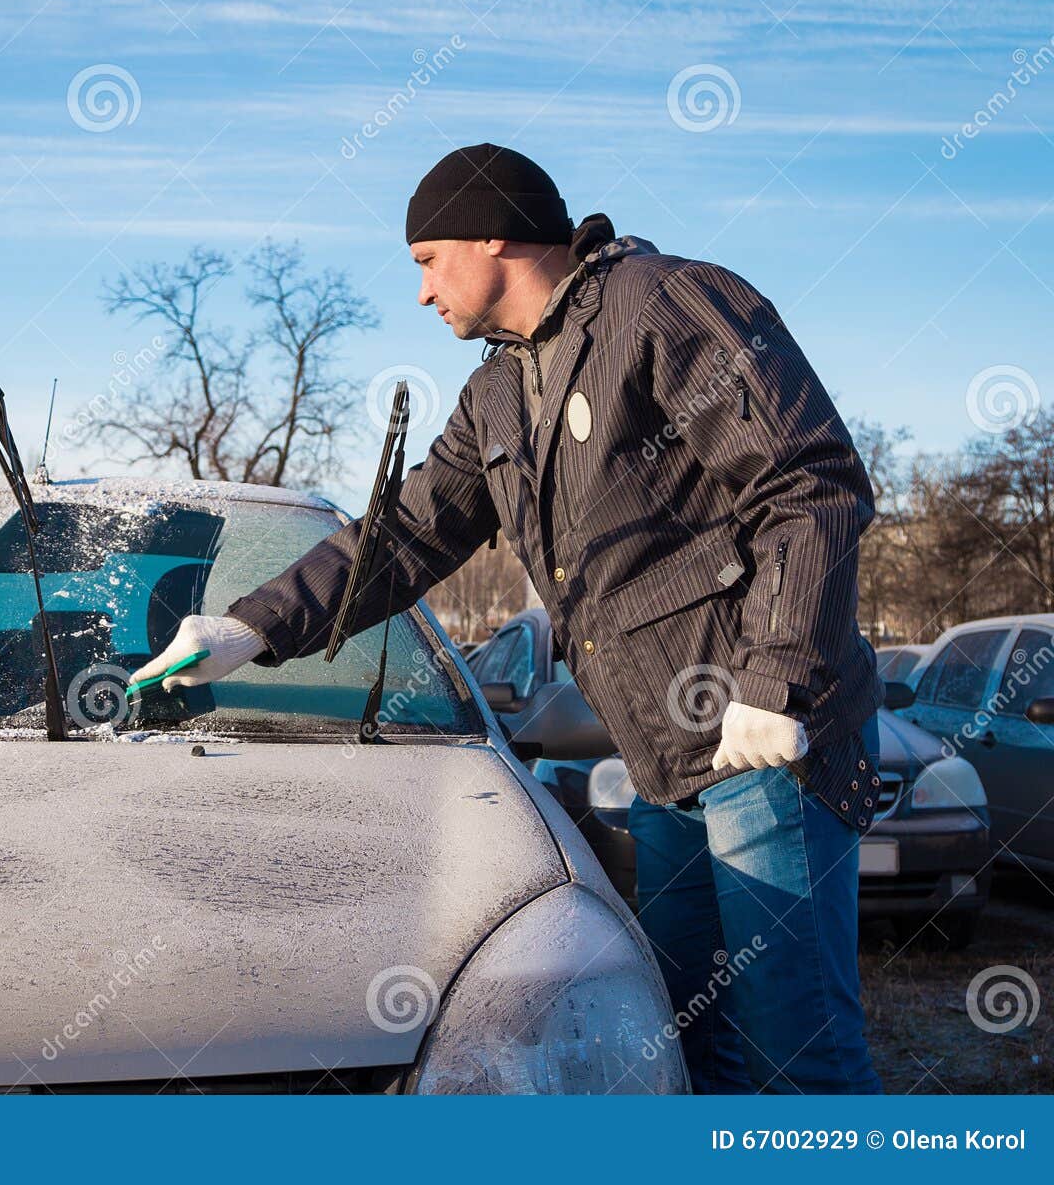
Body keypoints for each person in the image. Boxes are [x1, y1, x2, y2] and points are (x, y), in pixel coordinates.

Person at [128, 143, 884, 1094]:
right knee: (694, 1052)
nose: (421, 292)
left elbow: (812, 482)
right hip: (667, 763)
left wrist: (777, 681)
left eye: (427, 260)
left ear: (494, 232)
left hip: (768, 753)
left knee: (798, 1055)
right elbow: (403, 533)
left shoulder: (666, 303)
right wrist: (248, 628)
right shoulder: (499, 393)